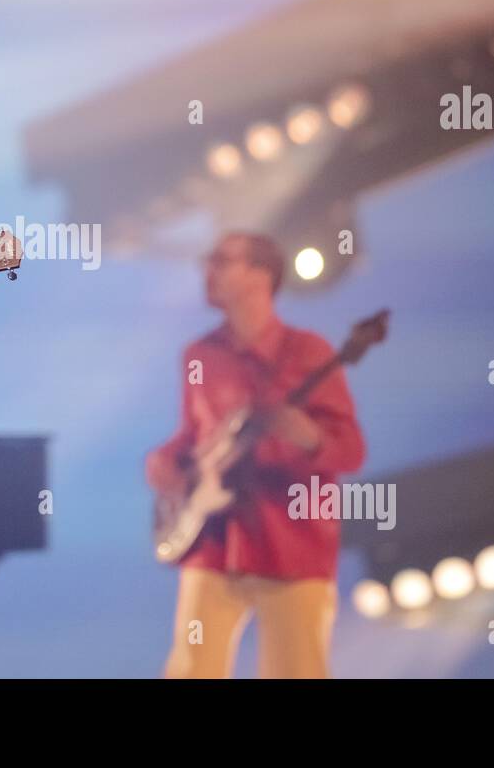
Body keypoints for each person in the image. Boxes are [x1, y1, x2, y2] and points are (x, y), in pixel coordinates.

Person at [146, 232, 365, 678]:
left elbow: (350, 450)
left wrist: (308, 437)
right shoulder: (199, 355)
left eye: (222, 261)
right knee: (190, 670)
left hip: (292, 543)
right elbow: (193, 436)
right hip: (214, 541)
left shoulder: (310, 352)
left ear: (261, 274)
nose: (207, 271)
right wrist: (165, 462)